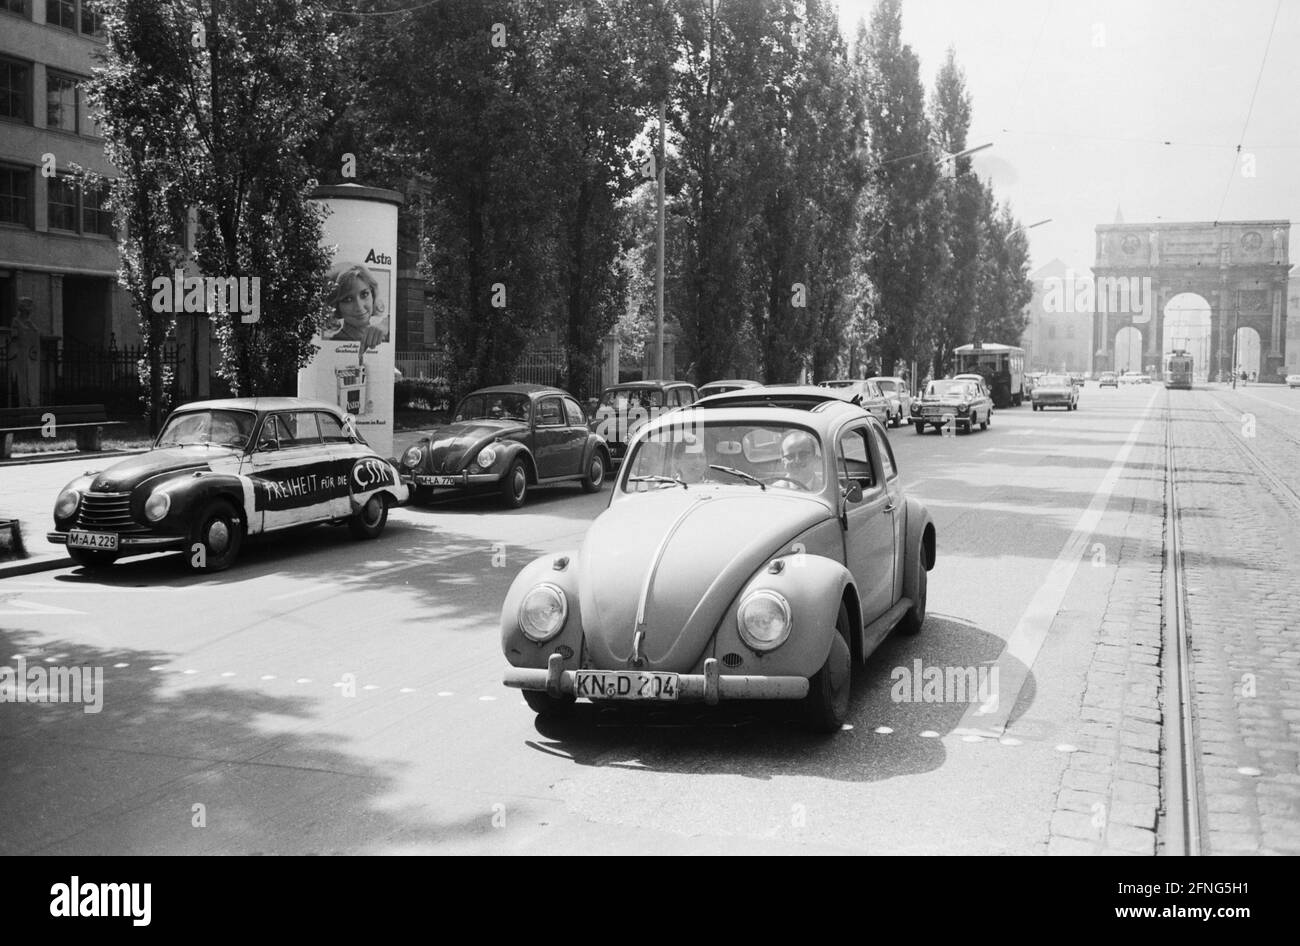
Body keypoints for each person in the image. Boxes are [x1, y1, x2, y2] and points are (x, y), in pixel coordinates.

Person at [324, 263, 387, 348]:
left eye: (364, 294)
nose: (359, 307)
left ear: (373, 295)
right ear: (336, 306)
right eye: (348, 299)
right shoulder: (335, 342)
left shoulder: (383, 333)